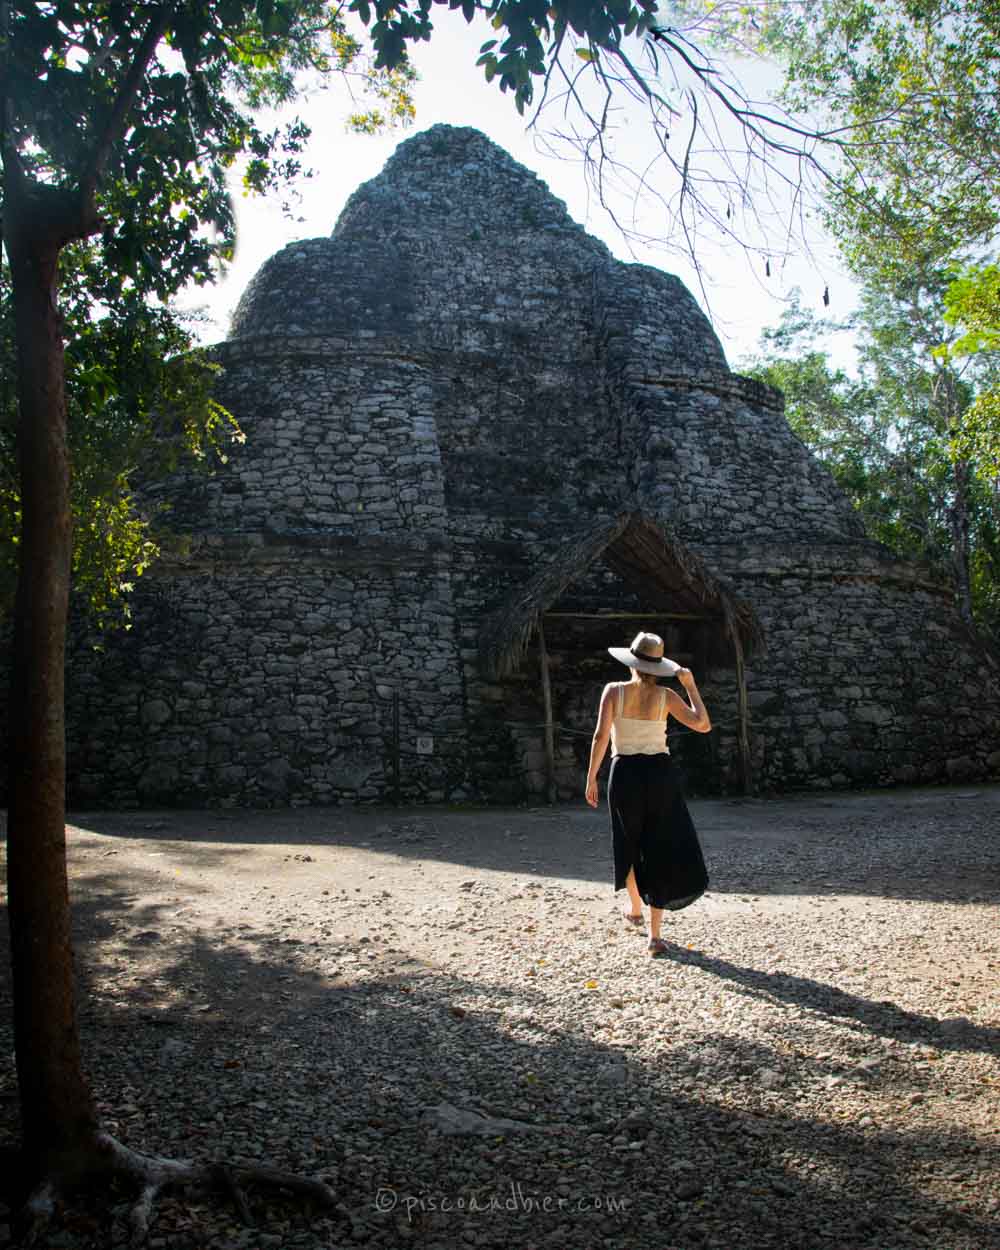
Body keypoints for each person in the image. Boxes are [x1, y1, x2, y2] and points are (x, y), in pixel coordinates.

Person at [585, 631, 712, 956]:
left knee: (628, 841)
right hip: (660, 775)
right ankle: (654, 937)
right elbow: (703, 724)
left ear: (631, 661)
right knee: (659, 846)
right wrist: (691, 685)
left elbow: (600, 737)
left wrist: (591, 778)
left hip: (625, 772)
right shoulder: (667, 696)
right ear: (657, 667)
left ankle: (635, 907)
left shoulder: (614, 691)